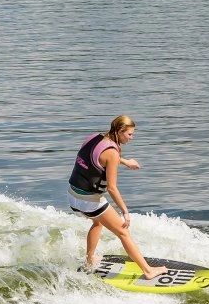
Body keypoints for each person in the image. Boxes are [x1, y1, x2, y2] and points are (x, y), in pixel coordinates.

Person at [68, 115, 168, 280]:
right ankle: (148, 271)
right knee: (123, 231)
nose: (131, 137)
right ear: (120, 131)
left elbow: (101, 157)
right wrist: (125, 211)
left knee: (97, 222)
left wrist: (125, 162)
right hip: (89, 200)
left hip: (73, 195)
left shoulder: (93, 138)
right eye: (129, 134)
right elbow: (111, 188)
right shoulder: (112, 153)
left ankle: (89, 261)